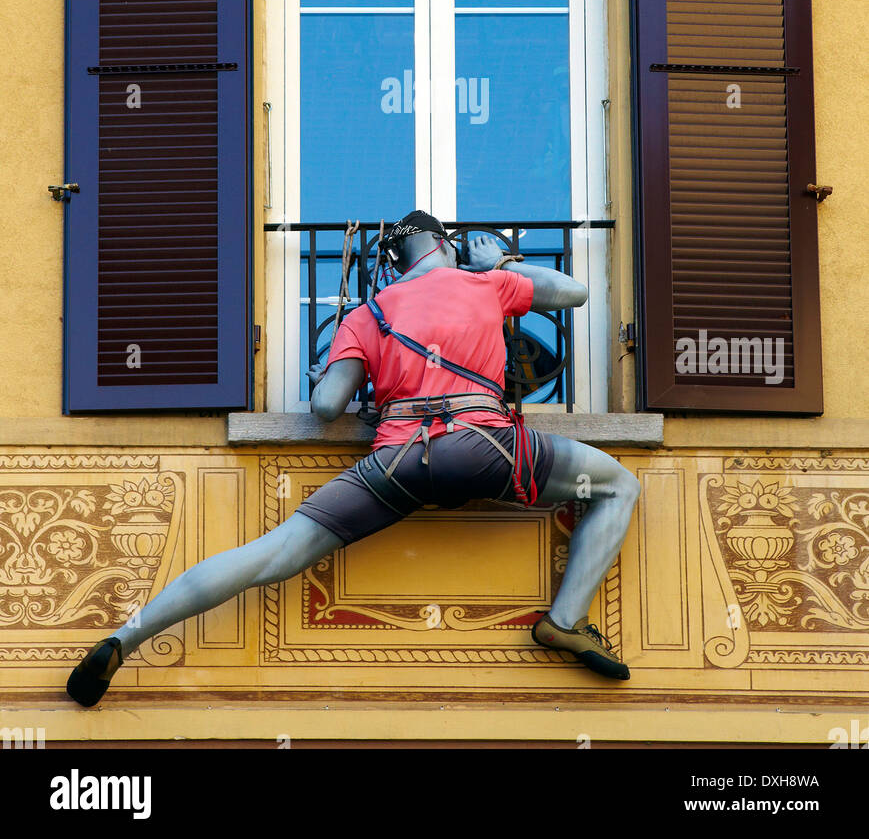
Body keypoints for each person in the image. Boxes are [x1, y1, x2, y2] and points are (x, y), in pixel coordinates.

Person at [66, 210, 641, 707]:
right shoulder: (482, 284)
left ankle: (127, 636)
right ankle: (563, 624)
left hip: (397, 463)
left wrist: (332, 374)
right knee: (617, 486)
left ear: (392, 266)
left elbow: (325, 406)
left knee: (272, 554)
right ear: (446, 245)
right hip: (486, 446)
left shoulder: (367, 315)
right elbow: (574, 293)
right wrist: (498, 264)